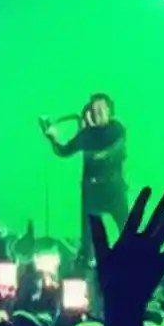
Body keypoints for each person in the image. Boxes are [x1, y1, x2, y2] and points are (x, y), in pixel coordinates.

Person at [39, 93, 128, 256]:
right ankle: (88, 262)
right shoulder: (86, 135)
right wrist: (52, 138)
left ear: (110, 110)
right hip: (91, 192)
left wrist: (96, 151)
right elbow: (63, 150)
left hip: (114, 190)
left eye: (102, 108)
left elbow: (112, 149)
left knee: (128, 233)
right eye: (95, 109)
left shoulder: (117, 129)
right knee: (88, 241)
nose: (98, 113)